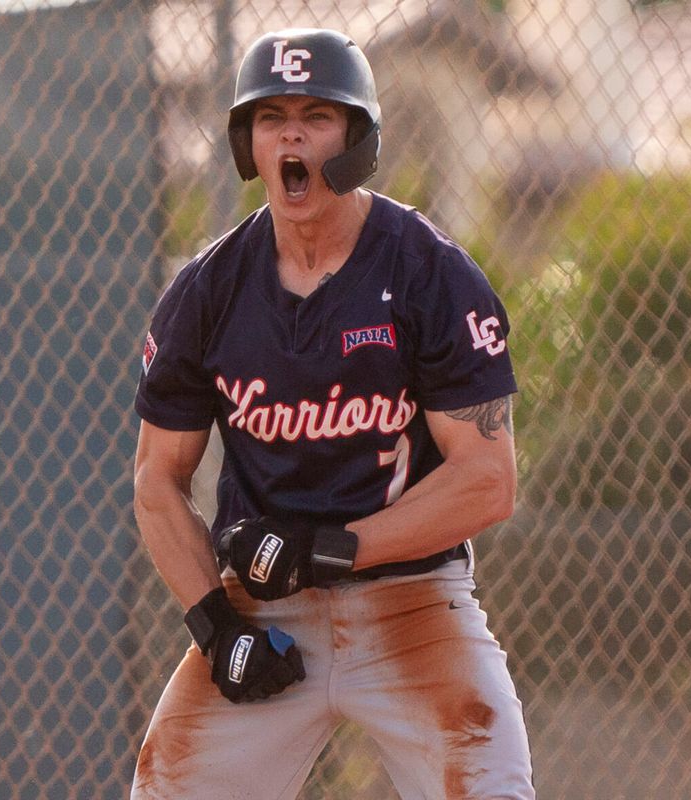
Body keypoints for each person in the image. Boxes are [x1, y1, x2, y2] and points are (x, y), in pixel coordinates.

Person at [130, 28, 534, 799]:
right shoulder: (209, 291)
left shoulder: (429, 273)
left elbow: (488, 481)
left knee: (491, 784)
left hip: (413, 598)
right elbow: (157, 480)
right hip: (264, 608)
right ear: (247, 145)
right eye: (270, 115)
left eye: (316, 115)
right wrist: (217, 628)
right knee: (166, 785)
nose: (290, 133)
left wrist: (331, 549)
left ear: (359, 139)